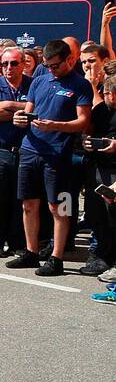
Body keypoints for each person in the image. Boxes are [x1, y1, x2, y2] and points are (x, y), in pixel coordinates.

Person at [6, 39, 93, 276]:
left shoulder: (81, 85)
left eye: (55, 66)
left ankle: (57, 256)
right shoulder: (39, 81)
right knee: (29, 204)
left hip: (58, 155)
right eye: (47, 66)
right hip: (30, 150)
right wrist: (20, 118)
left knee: (59, 206)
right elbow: (28, 110)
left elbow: (83, 121)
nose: (51, 70)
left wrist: (55, 125)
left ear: (70, 60)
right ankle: (31, 252)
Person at [0, 47, 30, 258]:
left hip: (26, 150)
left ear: (23, 64)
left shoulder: (33, 84)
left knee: (21, 199)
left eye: (13, 64)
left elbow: (37, 109)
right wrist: (18, 113)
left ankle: (18, 243)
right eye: (4, 64)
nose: (8, 68)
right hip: (0, 151)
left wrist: (10, 105)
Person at [77, 42, 112, 275]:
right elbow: (88, 123)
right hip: (92, 160)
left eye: (92, 61)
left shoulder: (109, 86)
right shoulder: (82, 86)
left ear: (104, 62)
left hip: (112, 163)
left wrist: (94, 89)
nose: (88, 66)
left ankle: (105, 255)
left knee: (111, 214)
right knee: (95, 211)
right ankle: (98, 254)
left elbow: (102, 114)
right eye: (84, 62)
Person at [83, 68, 116, 282]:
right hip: (97, 168)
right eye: (104, 93)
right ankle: (103, 257)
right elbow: (89, 130)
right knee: (97, 216)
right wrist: (87, 141)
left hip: (115, 170)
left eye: (110, 93)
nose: (107, 97)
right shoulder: (100, 110)